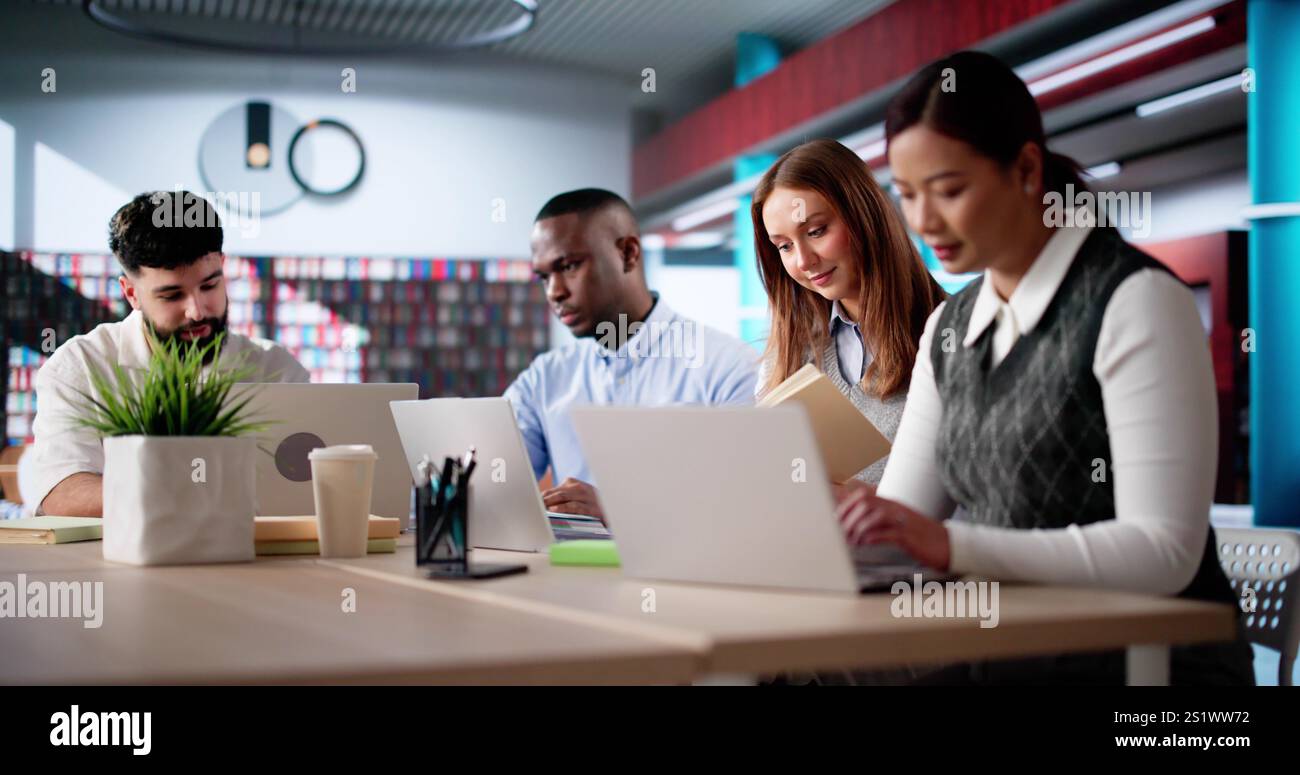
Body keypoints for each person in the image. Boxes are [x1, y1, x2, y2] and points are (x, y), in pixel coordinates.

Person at [837, 51, 1253, 684]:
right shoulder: (949, 331)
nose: (923, 222)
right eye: (908, 195)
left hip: (1161, 679)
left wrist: (953, 546)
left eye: (949, 191)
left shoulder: (1133, 300)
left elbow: (1165, 552)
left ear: (1026, 169)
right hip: (1016, 654)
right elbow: (904, 524)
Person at [27, 191, 309, 517]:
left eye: (209, 286)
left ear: (223, 267)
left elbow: (306, 482)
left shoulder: (275, 368)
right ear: (131, 293)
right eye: (172, 295)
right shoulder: (81, 366)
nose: (197, 312)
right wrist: (187, 492)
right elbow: (63, 492)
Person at [504, 188, 759, 519]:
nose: (555, 291)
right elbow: (491, 477)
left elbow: (748, 508)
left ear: (628, 253)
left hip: (682, 571)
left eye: (568, 266)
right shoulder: (544, 378)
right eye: (543, 276)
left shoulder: (728, 366)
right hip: (567, 570)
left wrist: (624, 514)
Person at [752, 138, 945, 484]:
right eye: (783, 246)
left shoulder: (949, 333)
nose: (803, 261)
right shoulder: (788, 355)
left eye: (816, 231)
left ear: (865, 215)